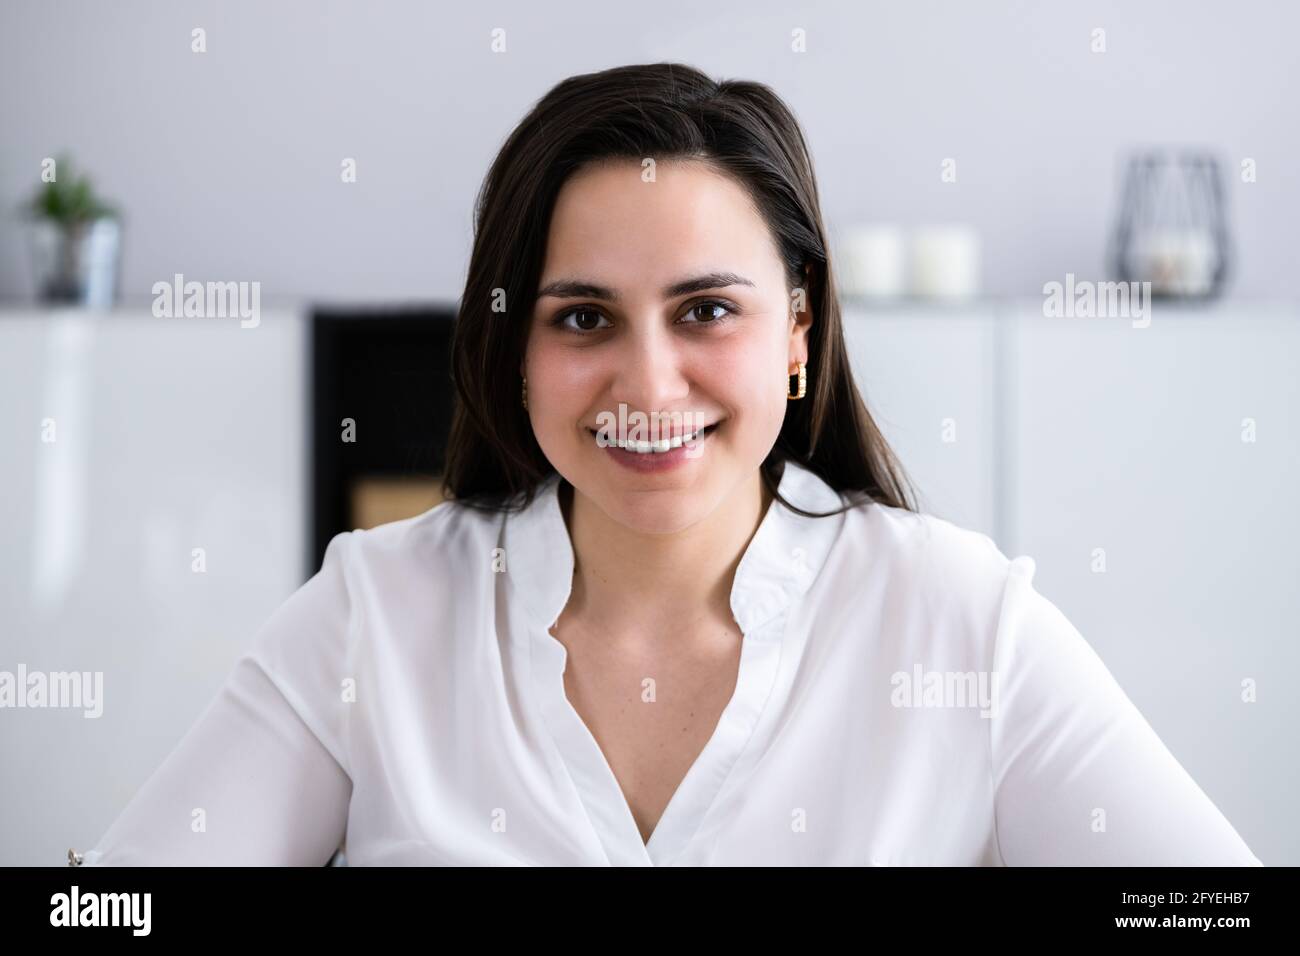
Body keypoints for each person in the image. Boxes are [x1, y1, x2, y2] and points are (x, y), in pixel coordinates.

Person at [77, 63, 1261, 866]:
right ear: (515, 344)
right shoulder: (373, 616)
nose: (648, 386)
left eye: (704, 310)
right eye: (583, 318)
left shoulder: (959, 620)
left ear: (798, 336)